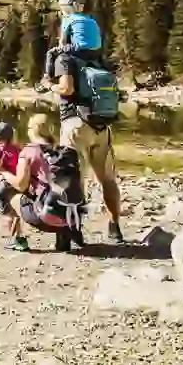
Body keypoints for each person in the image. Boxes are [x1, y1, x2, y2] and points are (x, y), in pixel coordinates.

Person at [42, 51, 125, 244]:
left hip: (75, 125)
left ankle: (73, 230)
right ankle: (115, 228)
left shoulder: (65, 59)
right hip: (102, 126)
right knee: (107, 179)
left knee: (72, 178)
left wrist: (49, 85)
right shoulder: (97, 61)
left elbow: (67, 89)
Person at [0, 115, 78, 252]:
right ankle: (64, 235)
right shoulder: (65, 151)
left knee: (11, 194)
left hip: (44, 218)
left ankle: (18, 240)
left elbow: (20, 184)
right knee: (58, 191)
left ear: (33, 130)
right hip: (74, 217)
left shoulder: (29, 151)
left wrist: (3, 172)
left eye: (28, 128)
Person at [42, 0, 103, 83]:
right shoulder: (90, 19)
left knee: (51, 53)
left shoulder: (69, 19)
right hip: (96, 51)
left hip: (80, 49)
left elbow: (62, 41)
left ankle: (48, 79)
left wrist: (61, 49)